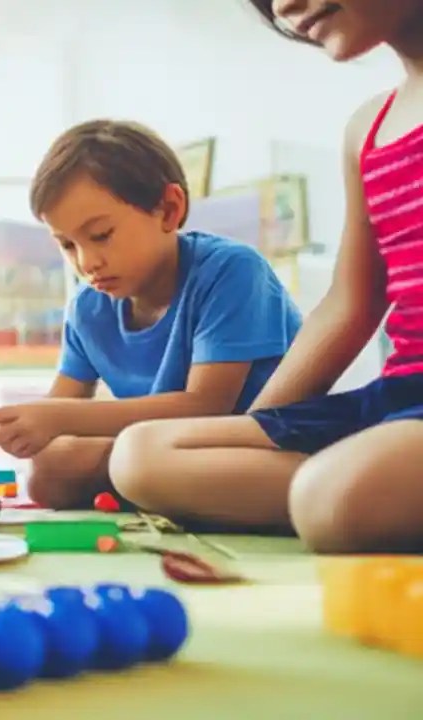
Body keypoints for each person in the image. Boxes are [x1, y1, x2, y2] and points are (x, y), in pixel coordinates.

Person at [110, 0, 423, 552]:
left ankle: (348, 493)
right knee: (139, 455)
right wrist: (261, 430)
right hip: (396, 398)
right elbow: (348, 304)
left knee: (333, 498)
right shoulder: (367, 130)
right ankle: (354, 491)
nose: (282, 6)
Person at [0, 120, 301, 510]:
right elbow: (57, 410)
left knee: (126, 458)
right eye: (67, 245)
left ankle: (152, 487)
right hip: (160, 448)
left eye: (101, 235)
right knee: (52, 468)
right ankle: (153, 490)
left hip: (255, 446)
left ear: (169, 210)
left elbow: (207, 406)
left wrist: (56, 418)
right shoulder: (88, 308)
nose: (86, 262)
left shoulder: (231, 270)